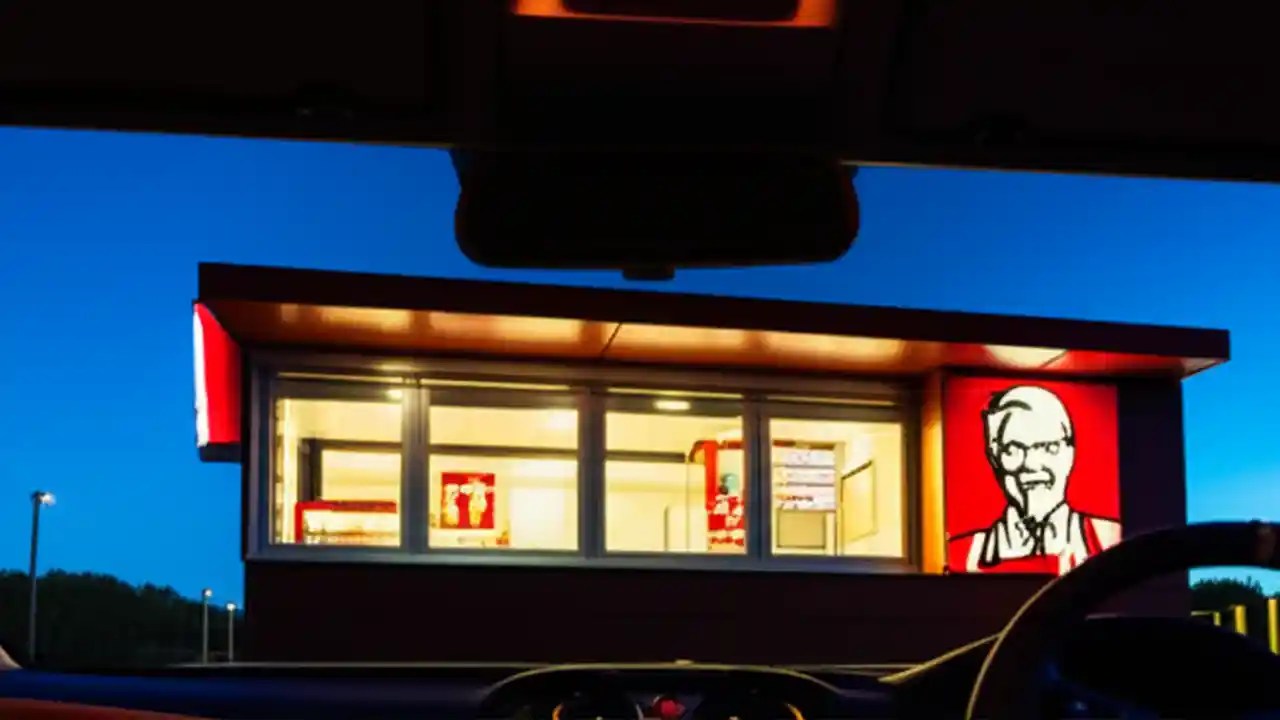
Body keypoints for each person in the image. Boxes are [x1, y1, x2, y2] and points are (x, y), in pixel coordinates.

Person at [949, 385, 1121, 574]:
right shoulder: (960, 555)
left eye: (1048, 447)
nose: (1031, 464)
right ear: (994, 458)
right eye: (1013, 450)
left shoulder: (1111, 541)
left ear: (1069, 454)